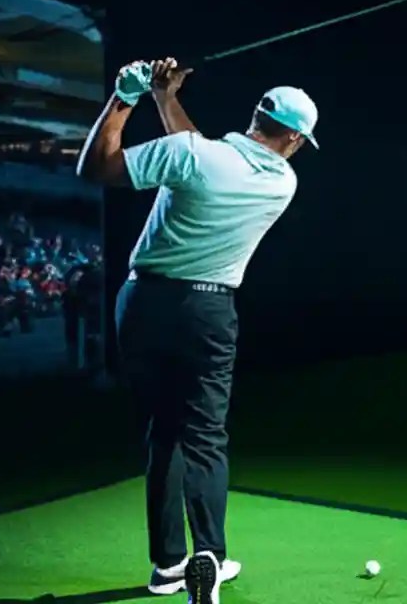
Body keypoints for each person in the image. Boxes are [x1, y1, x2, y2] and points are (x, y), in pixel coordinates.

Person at [76, 57, 317, 604]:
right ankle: (209, 555)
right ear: (296, 140)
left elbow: (100, 168)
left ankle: (166, 567)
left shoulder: (193, 155)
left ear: (256, 114)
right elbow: (204, 155)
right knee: (205, 435)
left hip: (141, 304)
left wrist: (126, 98)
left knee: (163, 435)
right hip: (209, 313)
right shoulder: (284, 182)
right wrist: (164, 98)